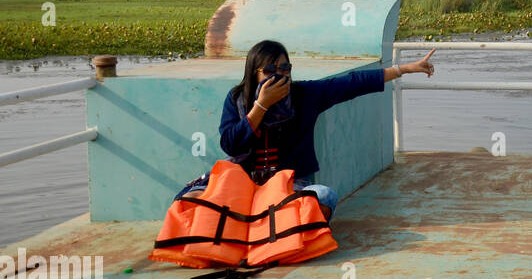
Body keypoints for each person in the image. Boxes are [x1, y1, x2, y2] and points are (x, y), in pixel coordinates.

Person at [172, 39, 436, 220]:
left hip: (289, 186)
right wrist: (261, 106)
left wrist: (403, 69)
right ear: (254, 73)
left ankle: (275, 228)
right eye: (270, 70)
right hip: (243, 180)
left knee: (324, 197)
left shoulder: (304, 95)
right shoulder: (238, 99)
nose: (280, 75)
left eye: (285, 68)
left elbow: (351, 83)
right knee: (189, 197)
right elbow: (231, 145)